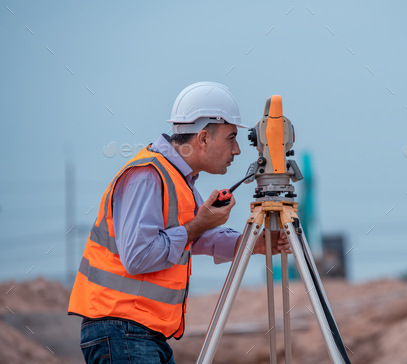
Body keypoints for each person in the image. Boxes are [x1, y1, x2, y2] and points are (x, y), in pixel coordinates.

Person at [68, 81, 292, 364]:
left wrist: (253, 244)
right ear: (203, 138)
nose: (237, 150)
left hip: (141, 332)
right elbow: (140, 256)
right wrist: (199, 224)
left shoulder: (178, 179)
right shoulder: (148, 176)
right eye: (231, 137)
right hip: (121, 328)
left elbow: (195, 237)